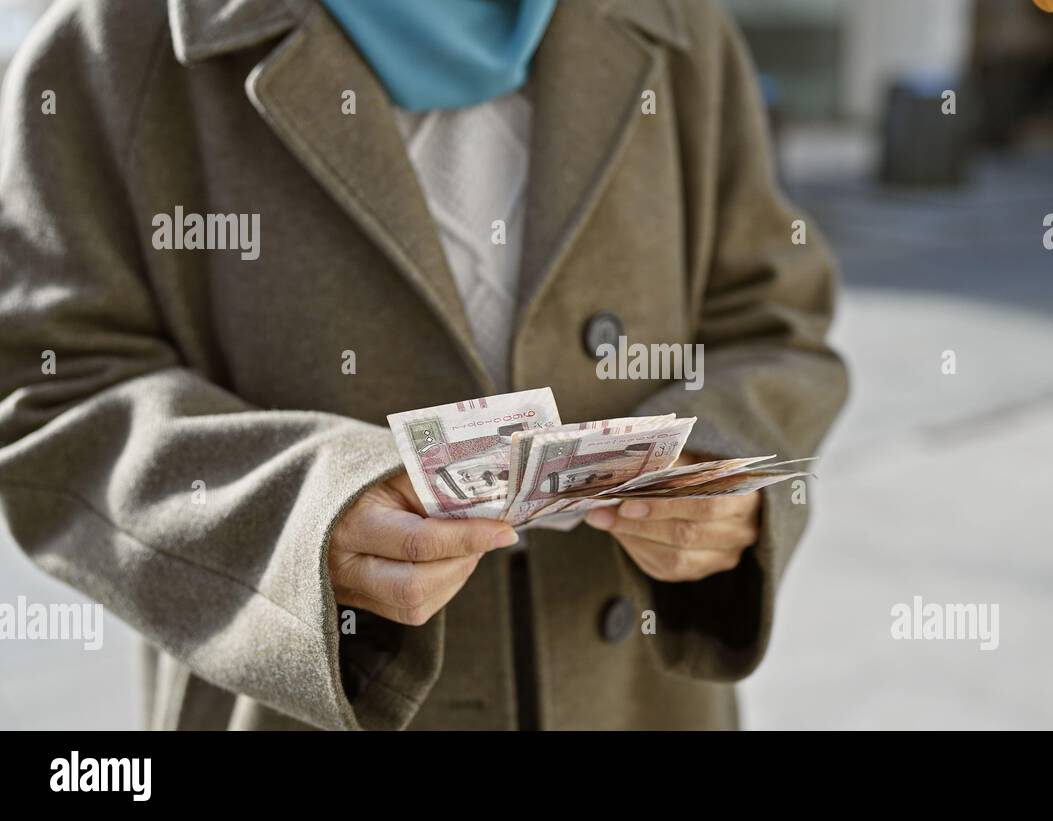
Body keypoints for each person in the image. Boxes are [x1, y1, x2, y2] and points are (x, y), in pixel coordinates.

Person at [0, 0, 847, 730]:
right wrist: (302, 520)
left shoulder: (677, 22)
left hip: (640, 703)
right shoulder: (117, 41)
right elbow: (55, 385)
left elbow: (773, 320)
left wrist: (725, 470)